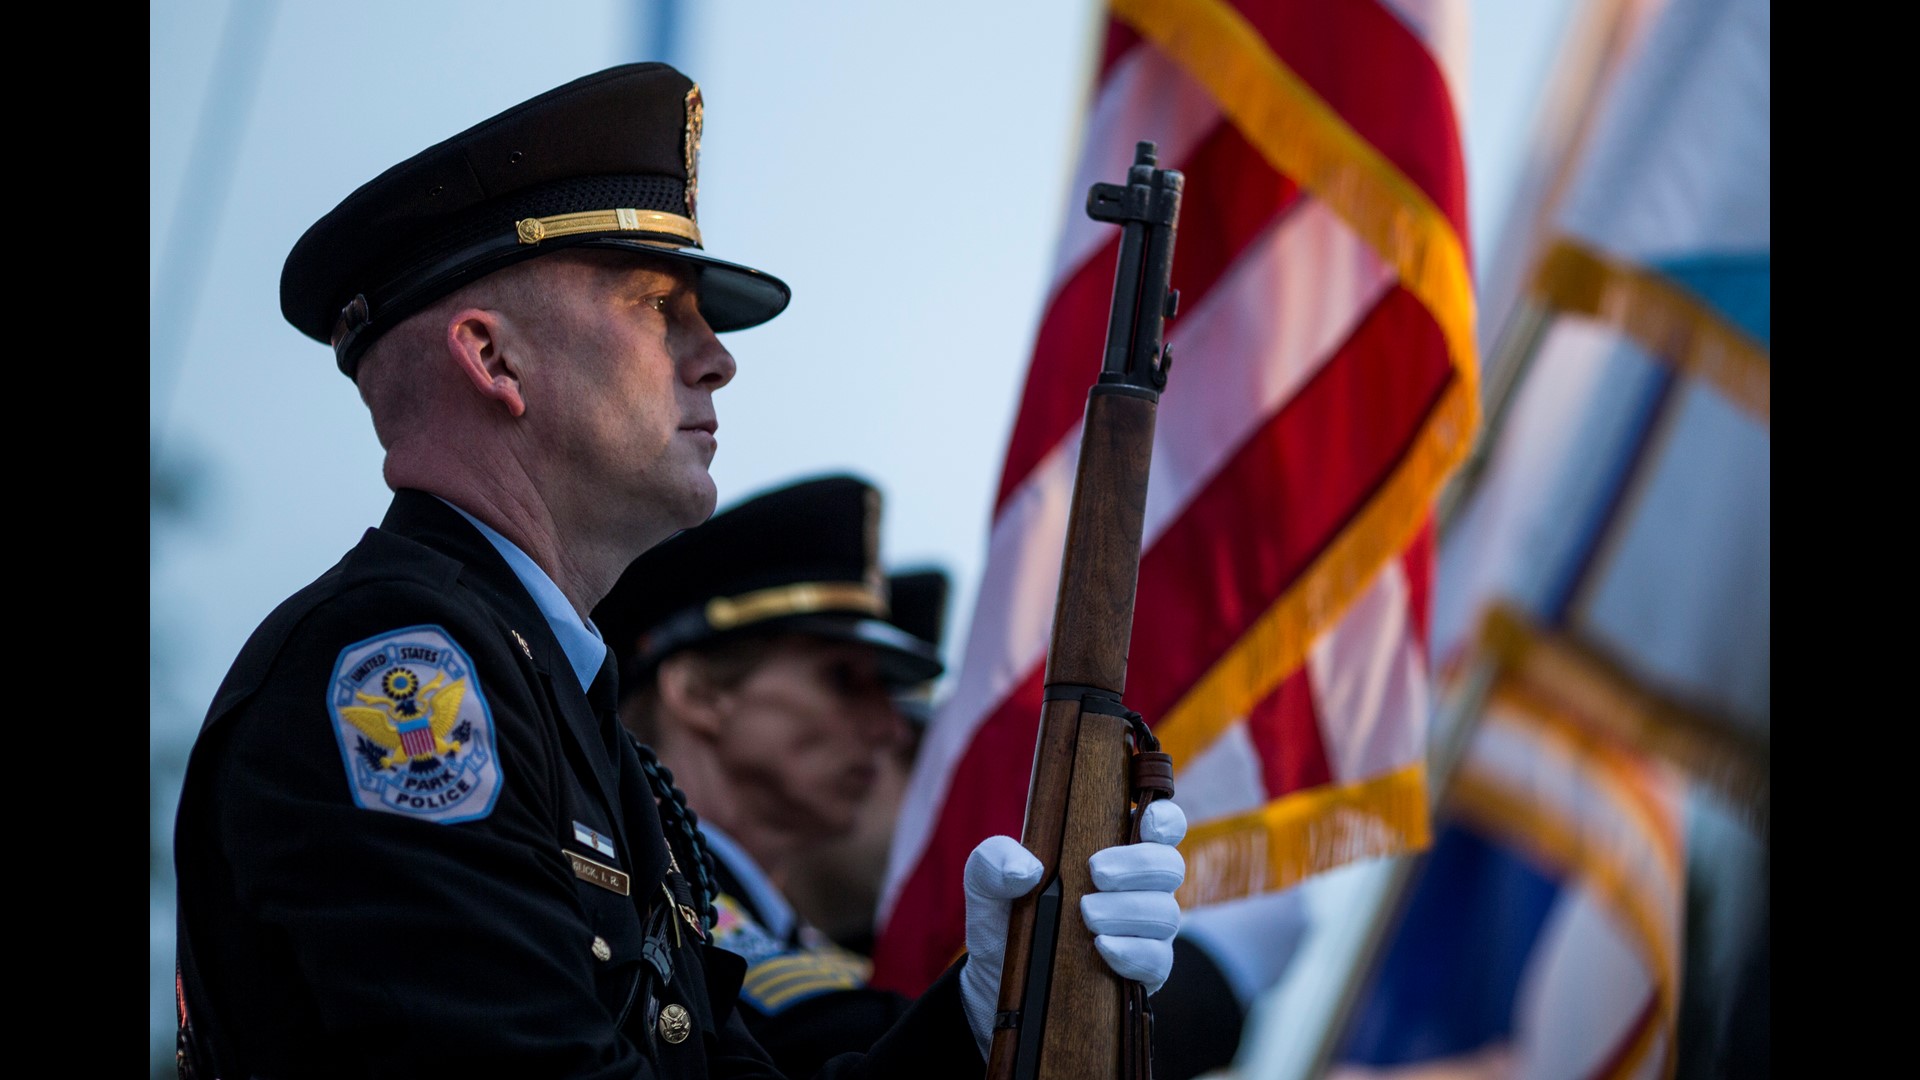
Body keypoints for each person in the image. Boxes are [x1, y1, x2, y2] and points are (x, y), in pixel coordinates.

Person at [170, 61, 1187, 1079]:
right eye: (659, 306)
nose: (717, 359)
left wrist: (978, 1022)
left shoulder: (561, 708)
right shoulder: (398, 670)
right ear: (492, 359)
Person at [593, 474, 948, 1077]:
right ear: (698, 691)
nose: (890, 729)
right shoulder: (637, 906)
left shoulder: (777, 934)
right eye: (843, 679)